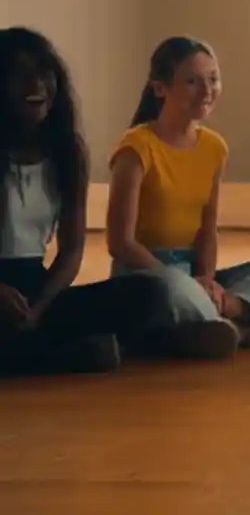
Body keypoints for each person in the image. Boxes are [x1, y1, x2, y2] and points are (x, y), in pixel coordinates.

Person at [107, 36, 250, 357]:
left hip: (192, 274)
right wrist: (182, 282)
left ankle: (224, 318)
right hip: (147, 277)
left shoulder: (214, 147)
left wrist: (206, 279)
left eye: (213, 79)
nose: (207, 91)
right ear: (160, 88)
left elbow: (208, 230)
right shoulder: (136, 147)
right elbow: (120, 243)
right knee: (172, 289)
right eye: (192, 81)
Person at [0, 27, 168, 374]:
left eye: (44, 72)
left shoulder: (68, 153)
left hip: (35, 289)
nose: (37, 85)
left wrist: (41, 305)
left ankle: (33, 353)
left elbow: (72, 249)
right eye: (20, 74)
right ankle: (54, 357)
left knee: (149, 293)